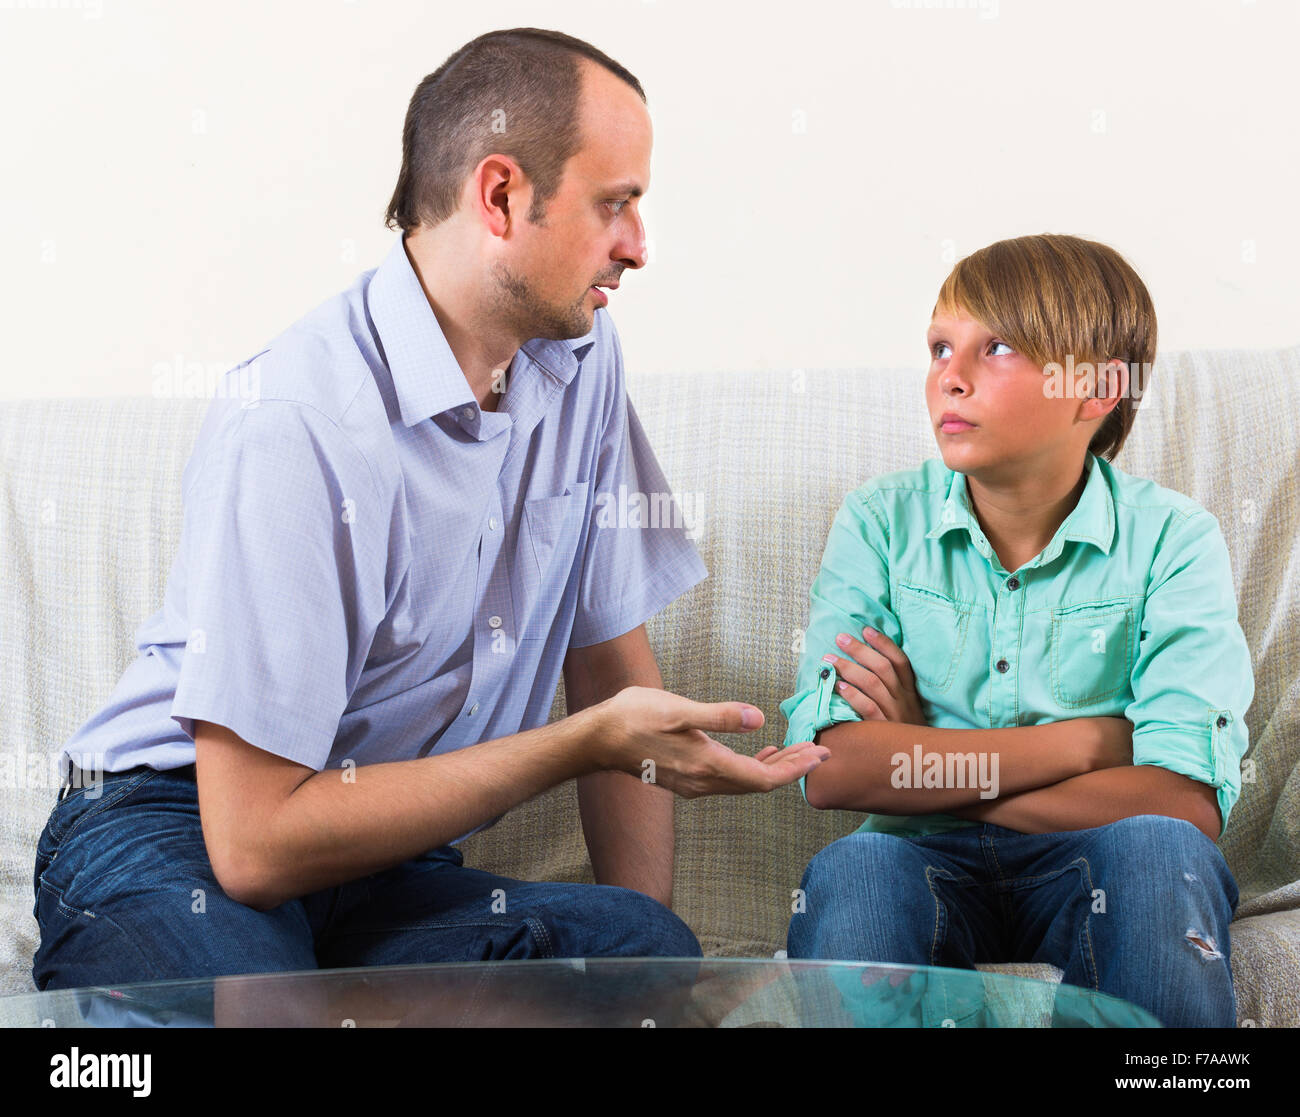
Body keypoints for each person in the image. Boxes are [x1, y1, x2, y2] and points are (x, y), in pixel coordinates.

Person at [33, 27, 828, 993]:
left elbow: (610, 662)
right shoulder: (301, 422)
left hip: (385, 870)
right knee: (265, 1011)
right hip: (179, 829)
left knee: (632, 950)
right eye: (614, 204)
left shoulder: (579, 357)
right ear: (499, 196)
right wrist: (577, 745)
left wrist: (649, 981)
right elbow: (252, 846)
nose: (638, 246)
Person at [781, 234, 1254, 1027]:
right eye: (938, 347)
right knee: (857, 866)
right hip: (915, 858)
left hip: (1095, 856)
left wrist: (922, 758)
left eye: (994, 347)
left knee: (1157, 853)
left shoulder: (1176, 539)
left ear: (1098, 388)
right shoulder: (879, 523)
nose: (948, 377)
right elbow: (834, 769)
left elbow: (1183, 802)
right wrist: (1087, 744)